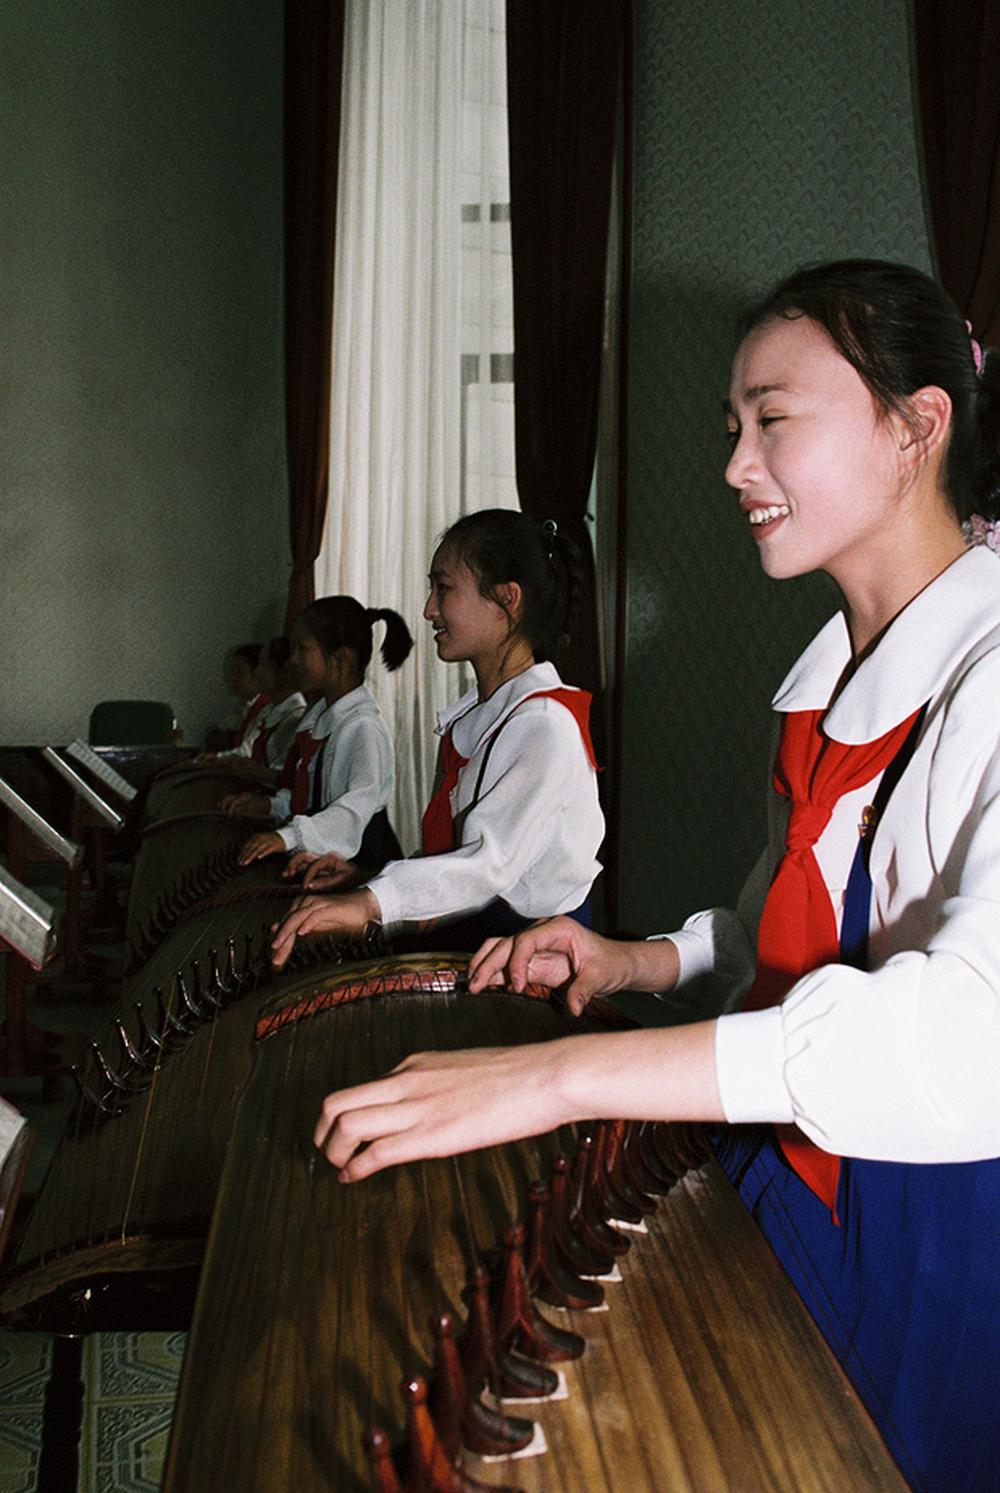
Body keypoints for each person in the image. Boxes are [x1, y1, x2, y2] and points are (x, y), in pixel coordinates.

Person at [308, 263, 1000, 1493]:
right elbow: (774, 927)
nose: (736, 465)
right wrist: (636, 960)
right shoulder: (836, 673)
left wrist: (561, 1073)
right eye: (732, 429)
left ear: (916, 425)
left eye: (772, 420)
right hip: (788, 1170)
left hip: (926, 1232)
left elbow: (969, 1035)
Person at [270, 509, 604, 958]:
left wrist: (372, 903)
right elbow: (458, 863)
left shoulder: (544, 724)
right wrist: (367, 875)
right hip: (479, 930)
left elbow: (486, 867)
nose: (429, 609)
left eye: (443, 589)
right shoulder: (478, 716)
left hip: (535, 951)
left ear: (508, 600)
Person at [233, 598, 412, 875]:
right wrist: (270, 805)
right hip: (330, 861)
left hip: (363, 869)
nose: (292, 660)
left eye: (302, 649)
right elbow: (313, 800)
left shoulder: (362, 728)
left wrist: (287, 837)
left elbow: (351, 811)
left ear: (340, 658)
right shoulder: (322, 720)